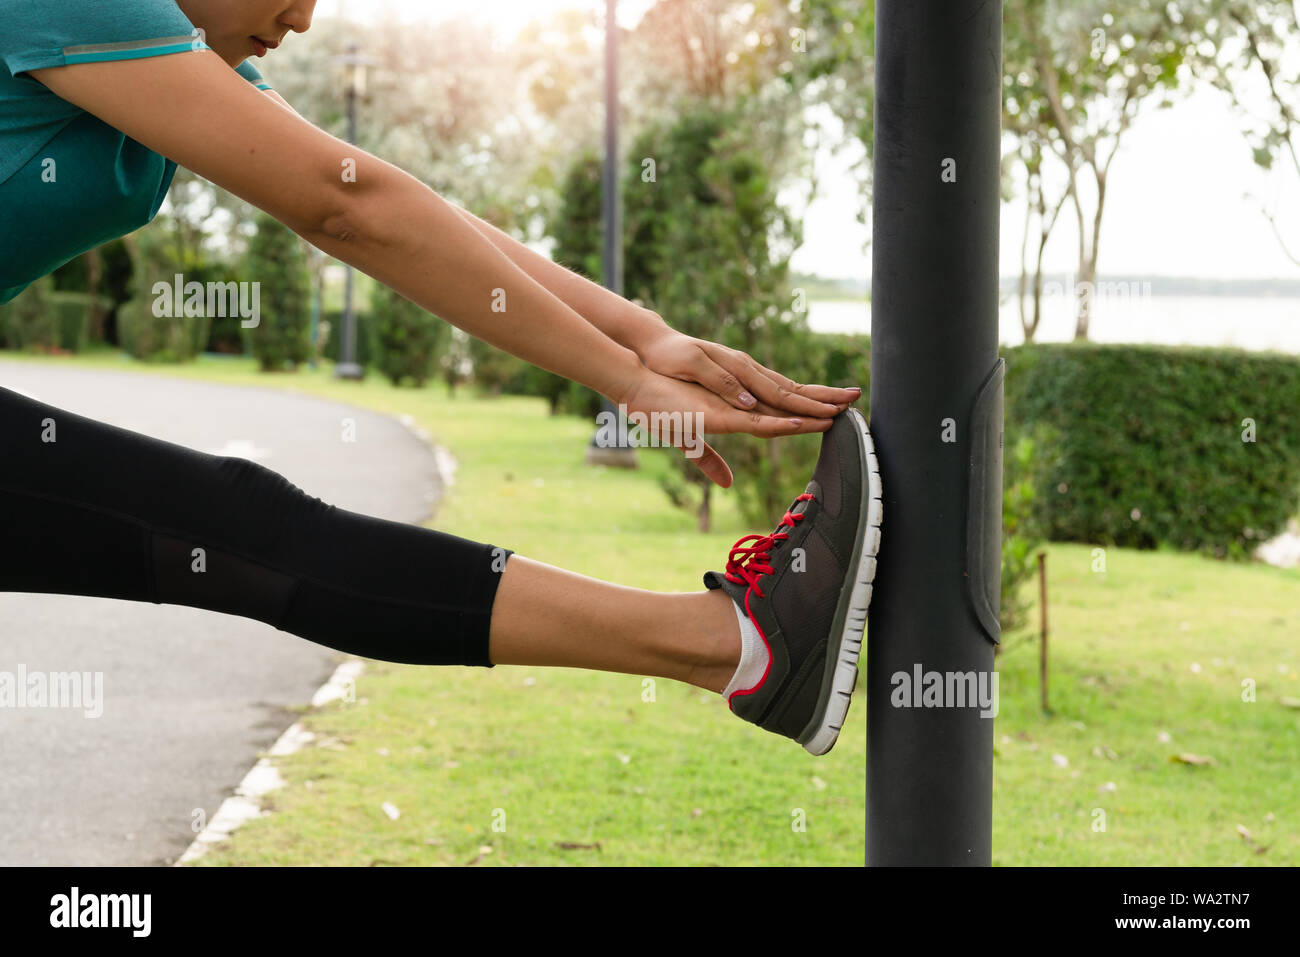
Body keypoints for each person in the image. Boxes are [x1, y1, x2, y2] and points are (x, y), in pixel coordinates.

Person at [0, 0, 881, 756]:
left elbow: (393, 202)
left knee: (242, 531)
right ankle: (739, 650)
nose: (305, 17)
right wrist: (623, 379)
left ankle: (740, 652)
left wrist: (643, 339)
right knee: (240, 525)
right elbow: (346, 206)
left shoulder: (174, 56)